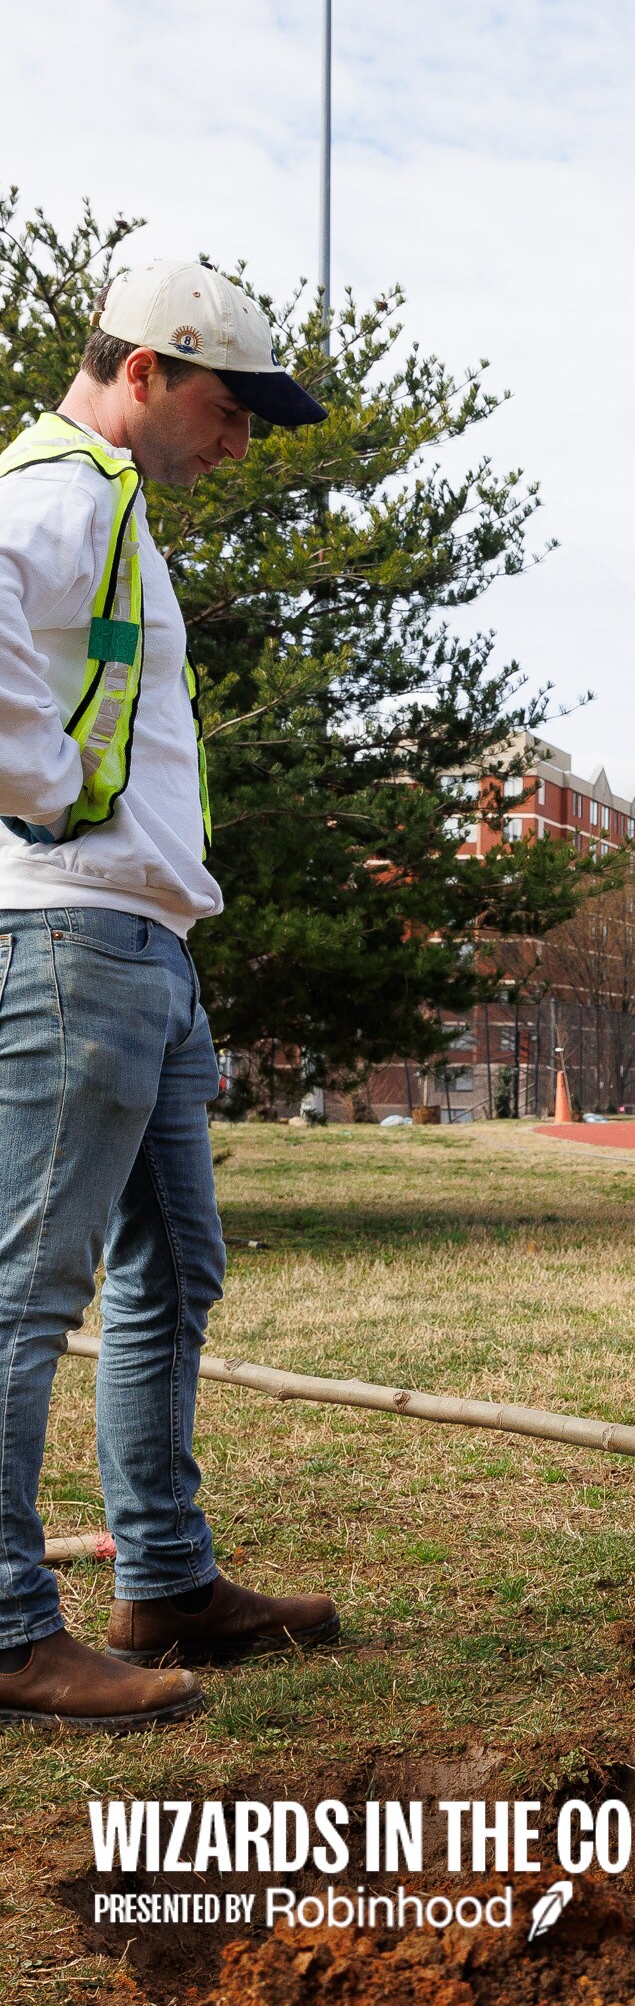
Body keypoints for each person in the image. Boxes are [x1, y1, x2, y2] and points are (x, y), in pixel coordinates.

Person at [0, 261, 338, 1731]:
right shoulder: (59, 490)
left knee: (171, 1268)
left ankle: (166, 1577)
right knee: (26, 1296)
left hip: (137, 952)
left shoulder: (104, 505)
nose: (242, 439)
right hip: (73, 942)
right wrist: (55, 789)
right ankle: (12, 1632)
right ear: (144, 370)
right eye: (227, 405)